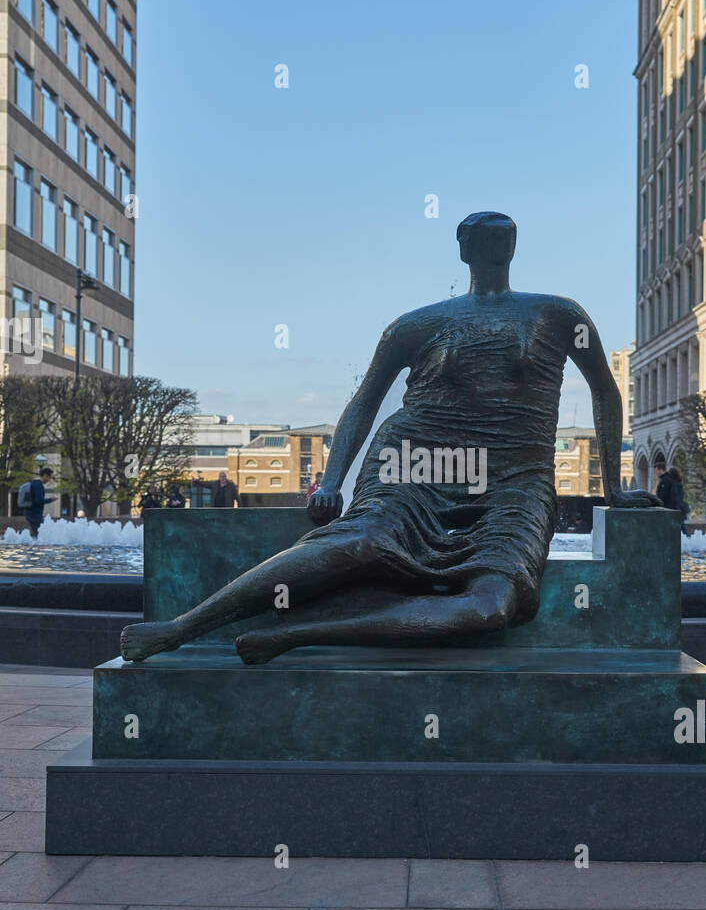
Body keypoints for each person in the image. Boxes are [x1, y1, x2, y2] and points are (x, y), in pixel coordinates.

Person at [120, 212, 660, 664]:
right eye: (482, 230)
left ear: (514, 244)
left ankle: (294, 634)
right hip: (417, 462)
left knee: (492, 606)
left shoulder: (557, 313)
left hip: (515, 479)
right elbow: (365, 401)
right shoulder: (417, 323)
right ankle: (180, 628)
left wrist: (612, 490)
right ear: (463, 249)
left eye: (505, 229)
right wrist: (331, 483)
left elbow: (606, 392)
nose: (496, 235)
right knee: (357, 542)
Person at [21, 466, 55, 539]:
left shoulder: (34, 483)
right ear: (45, 475)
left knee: (36, 535)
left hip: (30, 512)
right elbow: (38, 501)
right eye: (50, 477)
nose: (49, 480)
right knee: (41, 534)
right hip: (34, 514)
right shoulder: (38, 485)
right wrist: (50, 500)